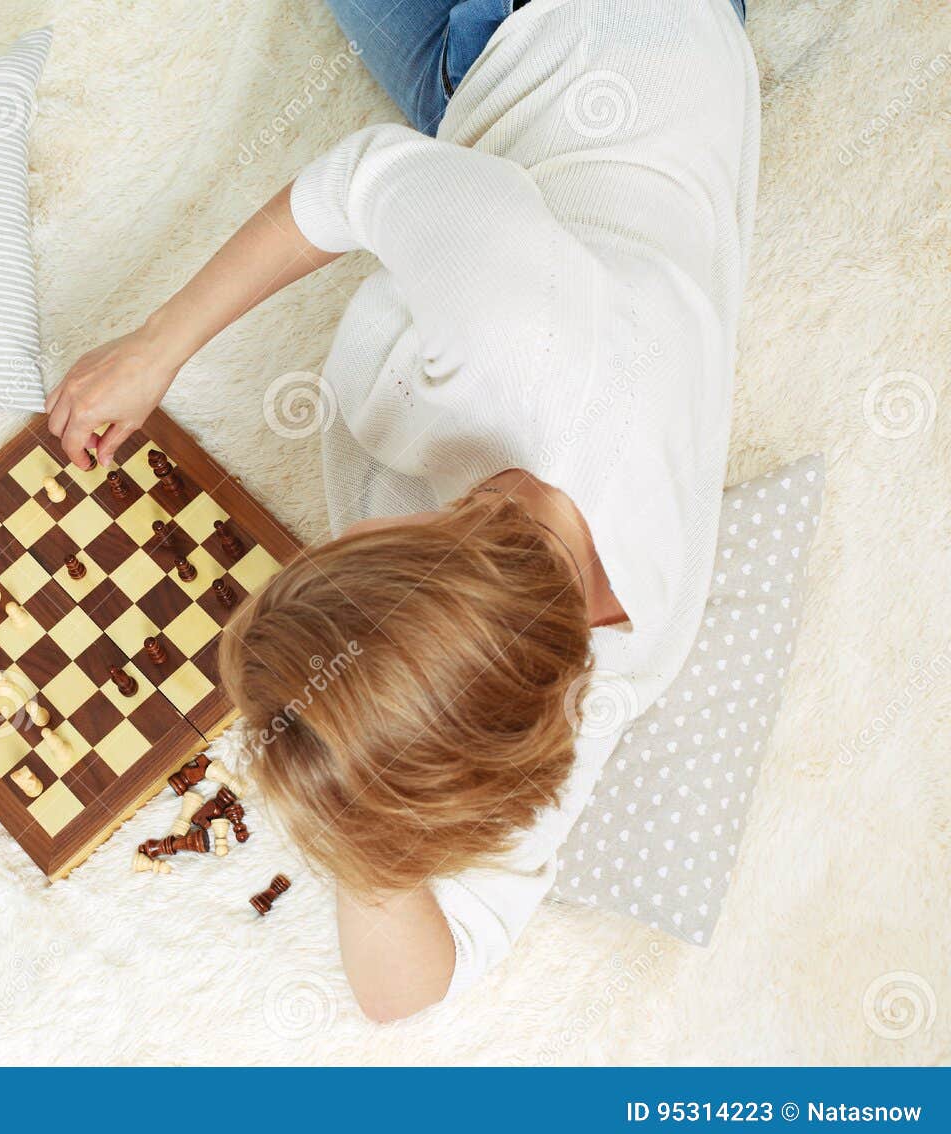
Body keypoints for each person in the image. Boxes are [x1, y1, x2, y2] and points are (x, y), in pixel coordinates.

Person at [47, 0, 758, 1019]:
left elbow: (406, 993)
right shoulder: (512, 334)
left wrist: (362, 822)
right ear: (396, 537)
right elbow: (358, 177)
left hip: (488, 107)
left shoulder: (576, 681)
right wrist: (156, 345)